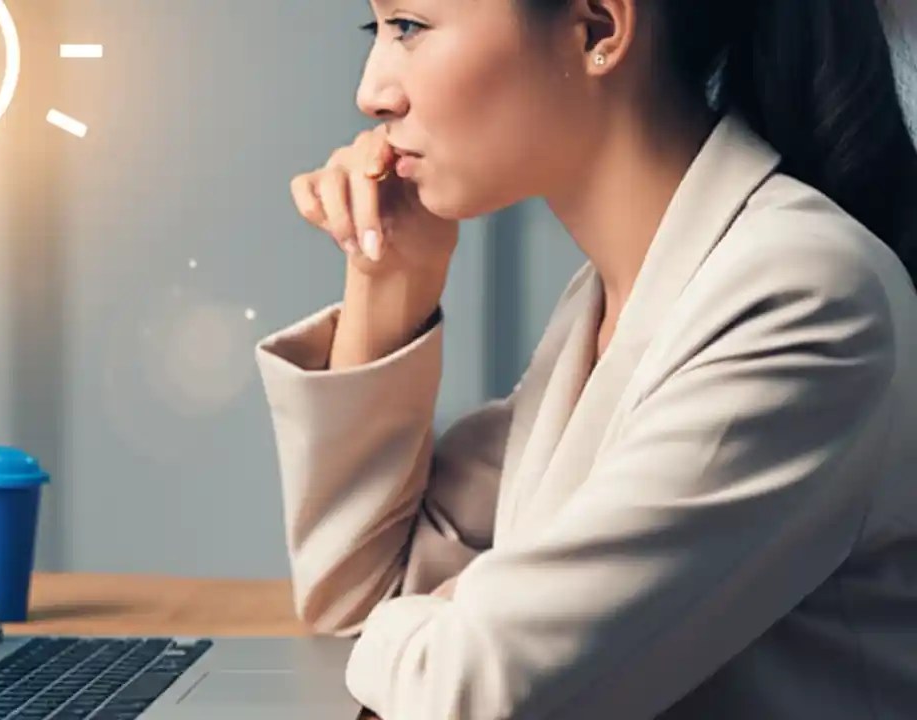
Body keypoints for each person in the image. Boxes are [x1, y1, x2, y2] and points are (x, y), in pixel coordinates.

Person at [253, 1, 917, 718]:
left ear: (598, 28)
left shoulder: (800, 292)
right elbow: (356, 598)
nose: (372, 92)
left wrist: (456, 624)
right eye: (374, 29)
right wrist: (390, 282)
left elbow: (473, 693)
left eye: (409, 26)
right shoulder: (610, 301)